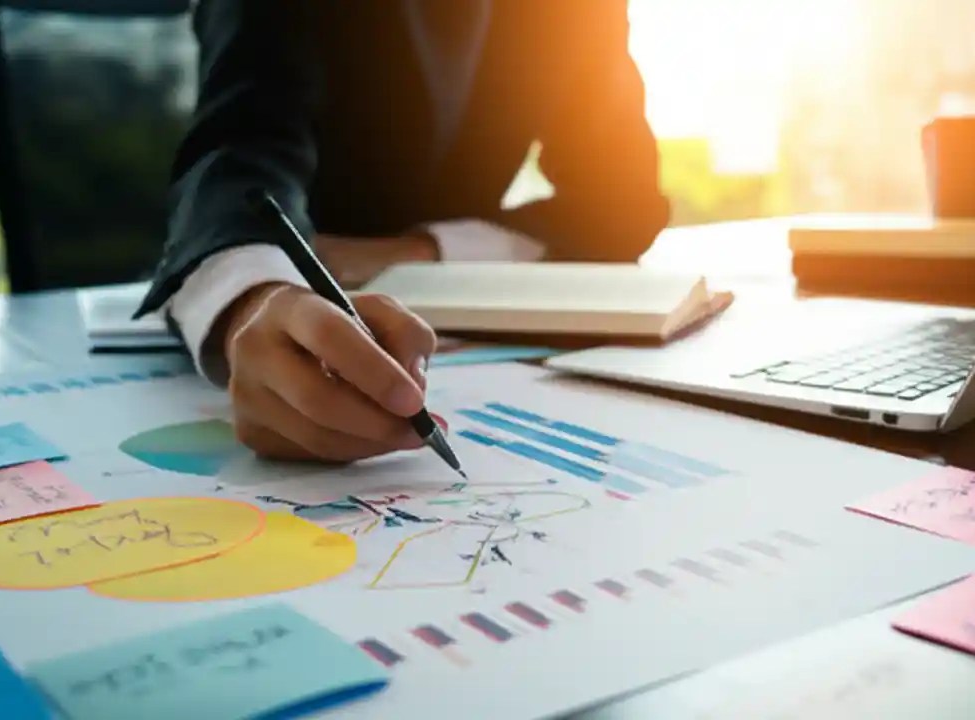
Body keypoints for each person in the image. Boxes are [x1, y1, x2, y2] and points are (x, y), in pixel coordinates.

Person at [134, 1, 669, 464]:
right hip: (289, 287)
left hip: (464, 319)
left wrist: (423, 250)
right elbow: (238, 142)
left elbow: (622, 201)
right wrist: (254, 296)